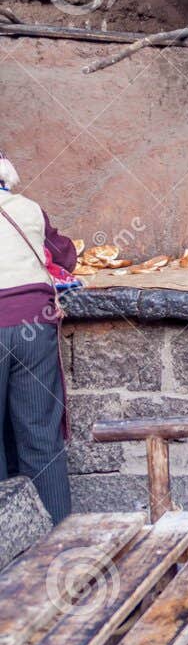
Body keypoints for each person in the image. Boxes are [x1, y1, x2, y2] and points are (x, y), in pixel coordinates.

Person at [0, 153, 76, 521]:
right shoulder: (28, 208)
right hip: (35, 323)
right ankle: (58, 543)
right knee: (41, 438)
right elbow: (64, 255)